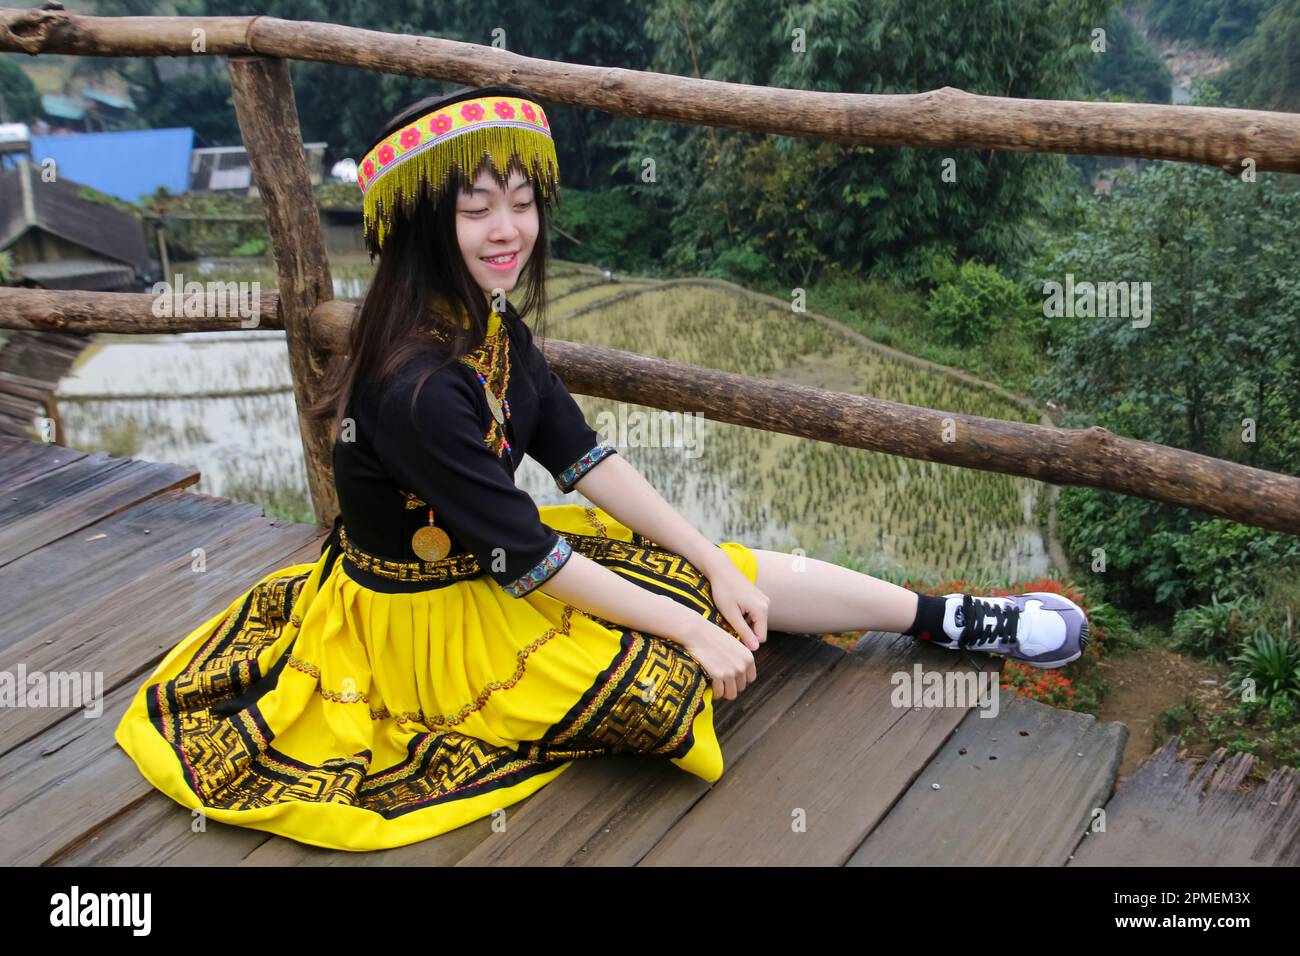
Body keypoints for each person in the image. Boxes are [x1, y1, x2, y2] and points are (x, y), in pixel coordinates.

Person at [113, 84, 1089, 852]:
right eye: (475, 209)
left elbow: (582, 458)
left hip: (500, 561)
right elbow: (530, 558)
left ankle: (948, 615)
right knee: (671, 682)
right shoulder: (417, 385)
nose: (509, 230)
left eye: (522, 202)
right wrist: (691, 625)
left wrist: (705, 562)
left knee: (733, 573)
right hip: (427, 617)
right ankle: (814, 620)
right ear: (419, 223)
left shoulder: (491, 326)